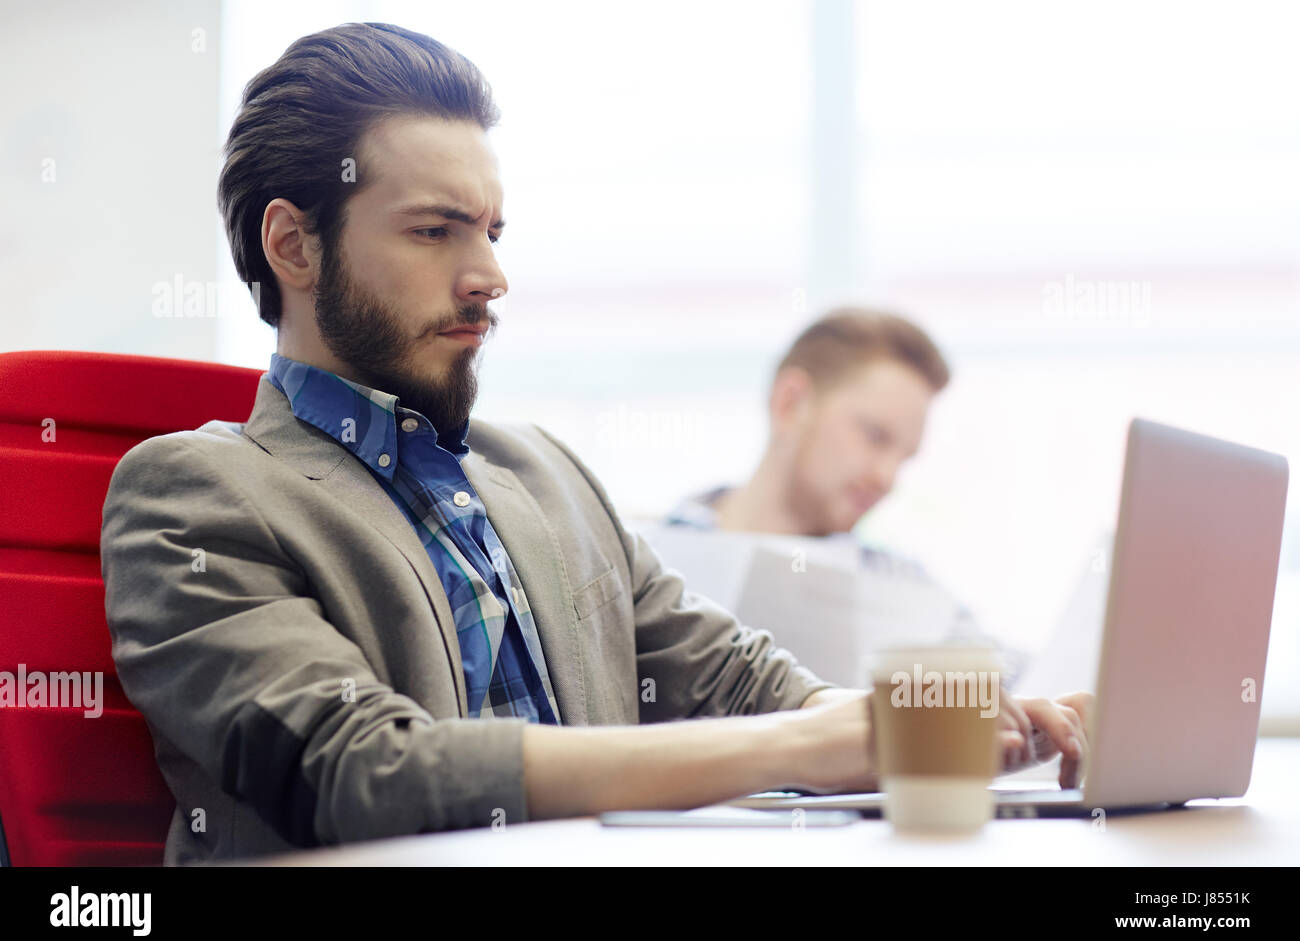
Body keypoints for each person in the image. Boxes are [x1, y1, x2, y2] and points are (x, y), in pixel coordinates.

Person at [100, 22, 1089, 865]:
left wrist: (954, 727)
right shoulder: (192, 496)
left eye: (491, 229)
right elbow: (363, 775)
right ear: (293, 245)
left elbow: (740, 683)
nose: (489, 272)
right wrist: (799, 743)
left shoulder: (545, 474)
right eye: (437, 231)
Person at [664, 308, 1032, 688]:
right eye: (875, 436)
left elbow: (1012, 675)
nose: (887, 478)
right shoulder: (643, 567)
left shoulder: (901, 585)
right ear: (790, 403)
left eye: (905, 458)